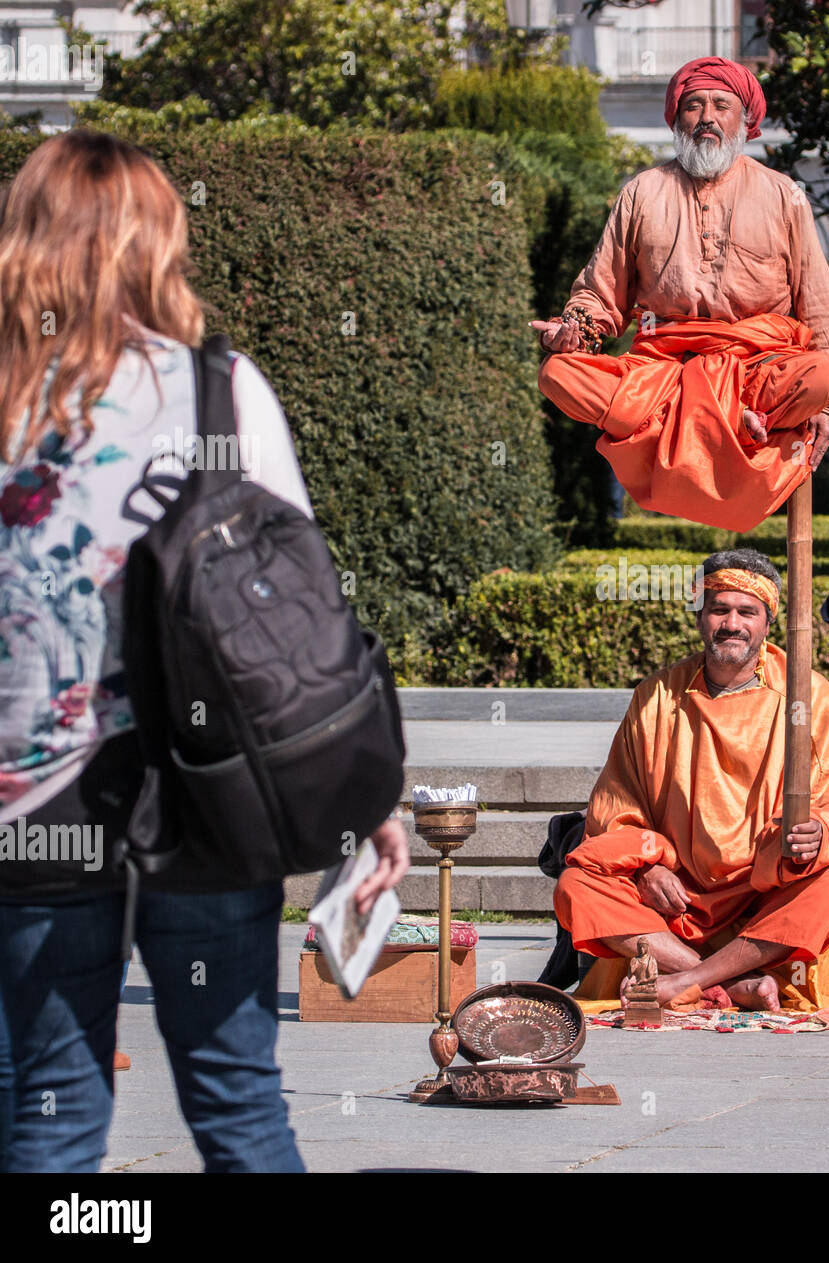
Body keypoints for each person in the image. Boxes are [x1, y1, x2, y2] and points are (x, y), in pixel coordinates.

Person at [0, 131, 410, 1174]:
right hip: (212, 797)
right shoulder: (219, 392)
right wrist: (367, 800)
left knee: (47, 1119)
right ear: (157, 245)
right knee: (237, 1104)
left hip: (34, 813)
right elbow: (303, 627)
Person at [531, 57, 829, 533]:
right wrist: (573, 330)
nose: (707, 117)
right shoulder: (641, 192)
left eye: (722, 105)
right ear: (676, 120)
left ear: (745, 120)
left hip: (756, 373)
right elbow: (602, 292)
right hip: (665, 373)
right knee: (558, 374)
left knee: (823, 375)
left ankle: (703, 421)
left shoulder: (784, 194)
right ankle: (720, 422)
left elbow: (819, 302)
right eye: (693, 105)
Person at [553, 549, 829, 1011]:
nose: (732, 624)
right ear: (700, 617)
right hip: (674, 900)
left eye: (747, 612)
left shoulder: (808, 696)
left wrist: (819, 832)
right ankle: (732, 984)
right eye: (719, 609)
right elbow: (616, 809)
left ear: (767, 622)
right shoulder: (657, 696)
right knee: (576, 887)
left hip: (766, 894)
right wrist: (647, 866)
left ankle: (692, 979)